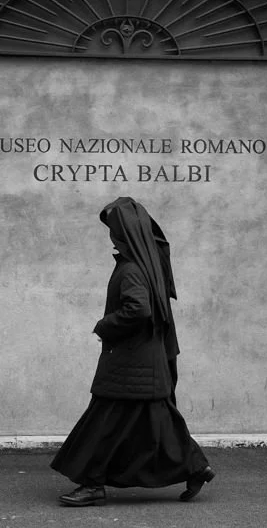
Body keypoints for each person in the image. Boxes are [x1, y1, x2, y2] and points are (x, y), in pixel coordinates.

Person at [51, 196, 214, 506]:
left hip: (130, 362)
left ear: (122, 234)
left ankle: (92, 483)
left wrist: (104, 325)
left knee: (103, 423)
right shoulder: (147, 264)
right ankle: (196, 467)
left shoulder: (130, 270)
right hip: (145, 361)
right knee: (157, 421)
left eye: (113, 230)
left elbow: (138, 310)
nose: (111, 236)